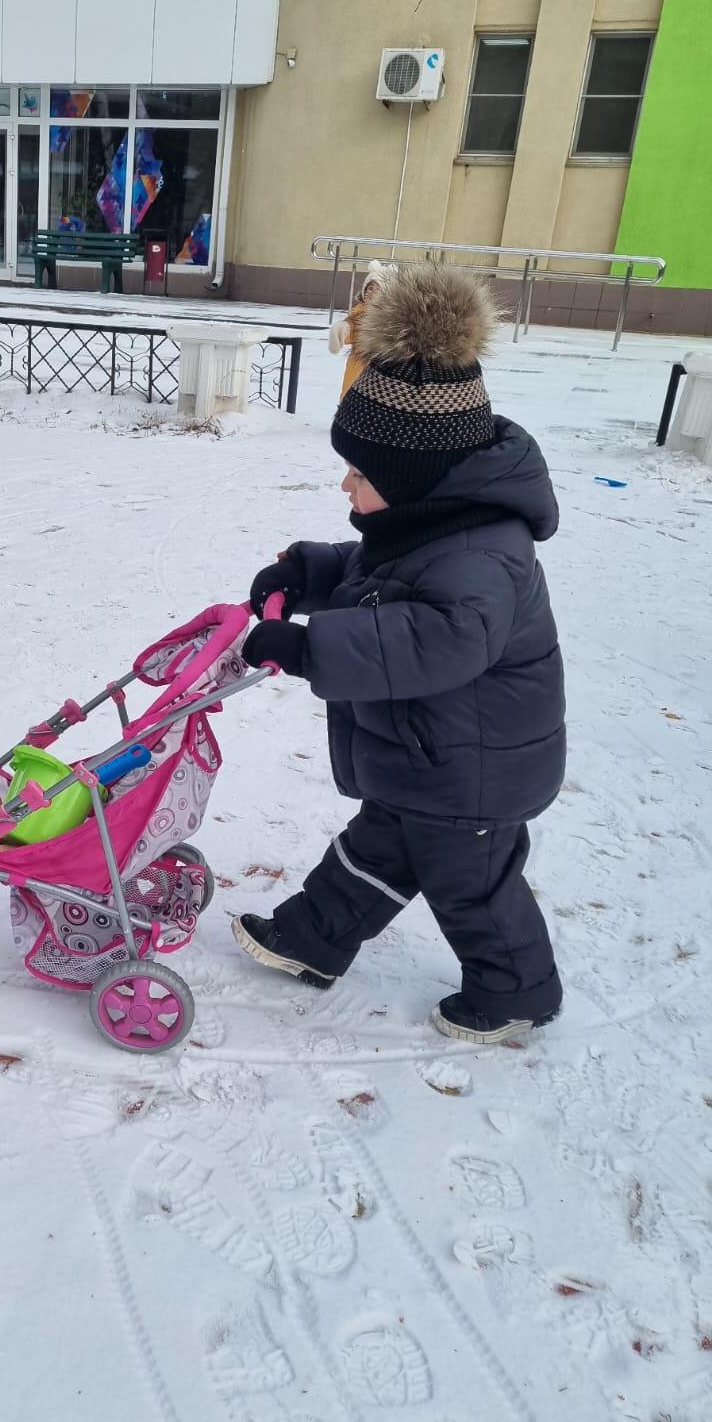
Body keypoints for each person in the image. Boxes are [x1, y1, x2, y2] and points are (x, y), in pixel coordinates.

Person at [237, 264, 565, 1045]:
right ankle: (313, 939)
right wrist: (309, 573)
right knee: (376, 850)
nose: (347, 485)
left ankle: (518, 992)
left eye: (362, 473)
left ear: (417, 480)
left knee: (474, 891)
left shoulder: (483, 556)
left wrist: (312, 647)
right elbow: (381, 581)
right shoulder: (432, 525)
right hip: (432, 755)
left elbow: (437, 638)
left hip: (474, 771)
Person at [328, 260, 392, 399]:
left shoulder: (392, 317)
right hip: (357, 370)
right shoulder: (359, 312)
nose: (372, 292)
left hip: (381, 372)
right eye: (370, 288)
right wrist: (342, 330)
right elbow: (353, 328)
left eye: (378, 289)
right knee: (351, 400)